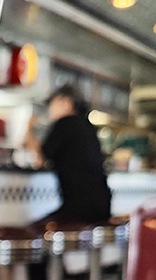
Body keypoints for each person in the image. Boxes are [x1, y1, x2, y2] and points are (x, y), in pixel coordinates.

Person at [27, 84, 111, 223]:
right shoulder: (87, 125)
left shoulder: (64, 124)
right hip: (102, 206)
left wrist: (29, 129)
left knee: (37, 229)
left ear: (66, 102)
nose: (50, 109)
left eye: (52, 104)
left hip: (79, 209)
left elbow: (40, 159)